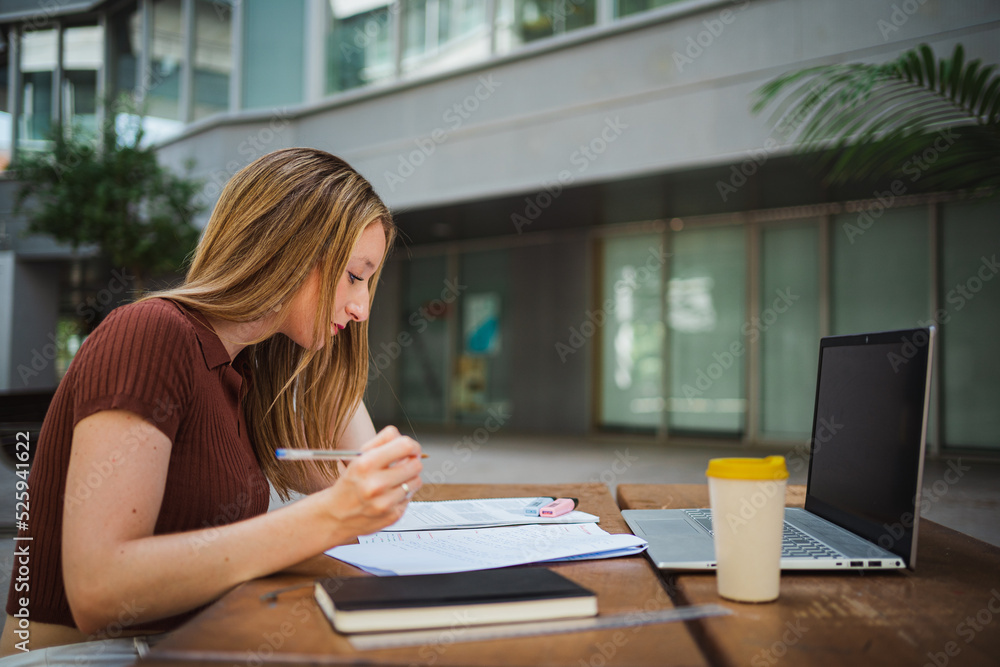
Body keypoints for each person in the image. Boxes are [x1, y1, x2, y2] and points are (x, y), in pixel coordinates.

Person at [0, 148, 423, 664]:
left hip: (186, 642)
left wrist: (324, 347)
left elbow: (362, 511)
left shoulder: (245, 369)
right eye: (355, 276)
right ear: (288, 248)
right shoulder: (151, 334)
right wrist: (327, 516)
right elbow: (99, 588)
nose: (361, 309)